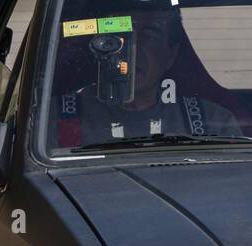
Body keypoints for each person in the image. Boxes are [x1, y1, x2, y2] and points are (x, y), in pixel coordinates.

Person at [56, 10, 241, 145]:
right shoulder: (55, 118)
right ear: (100, 46)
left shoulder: (212, 122)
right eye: (119, 35)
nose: (132, 49)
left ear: (170, 54)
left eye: (148, 35)